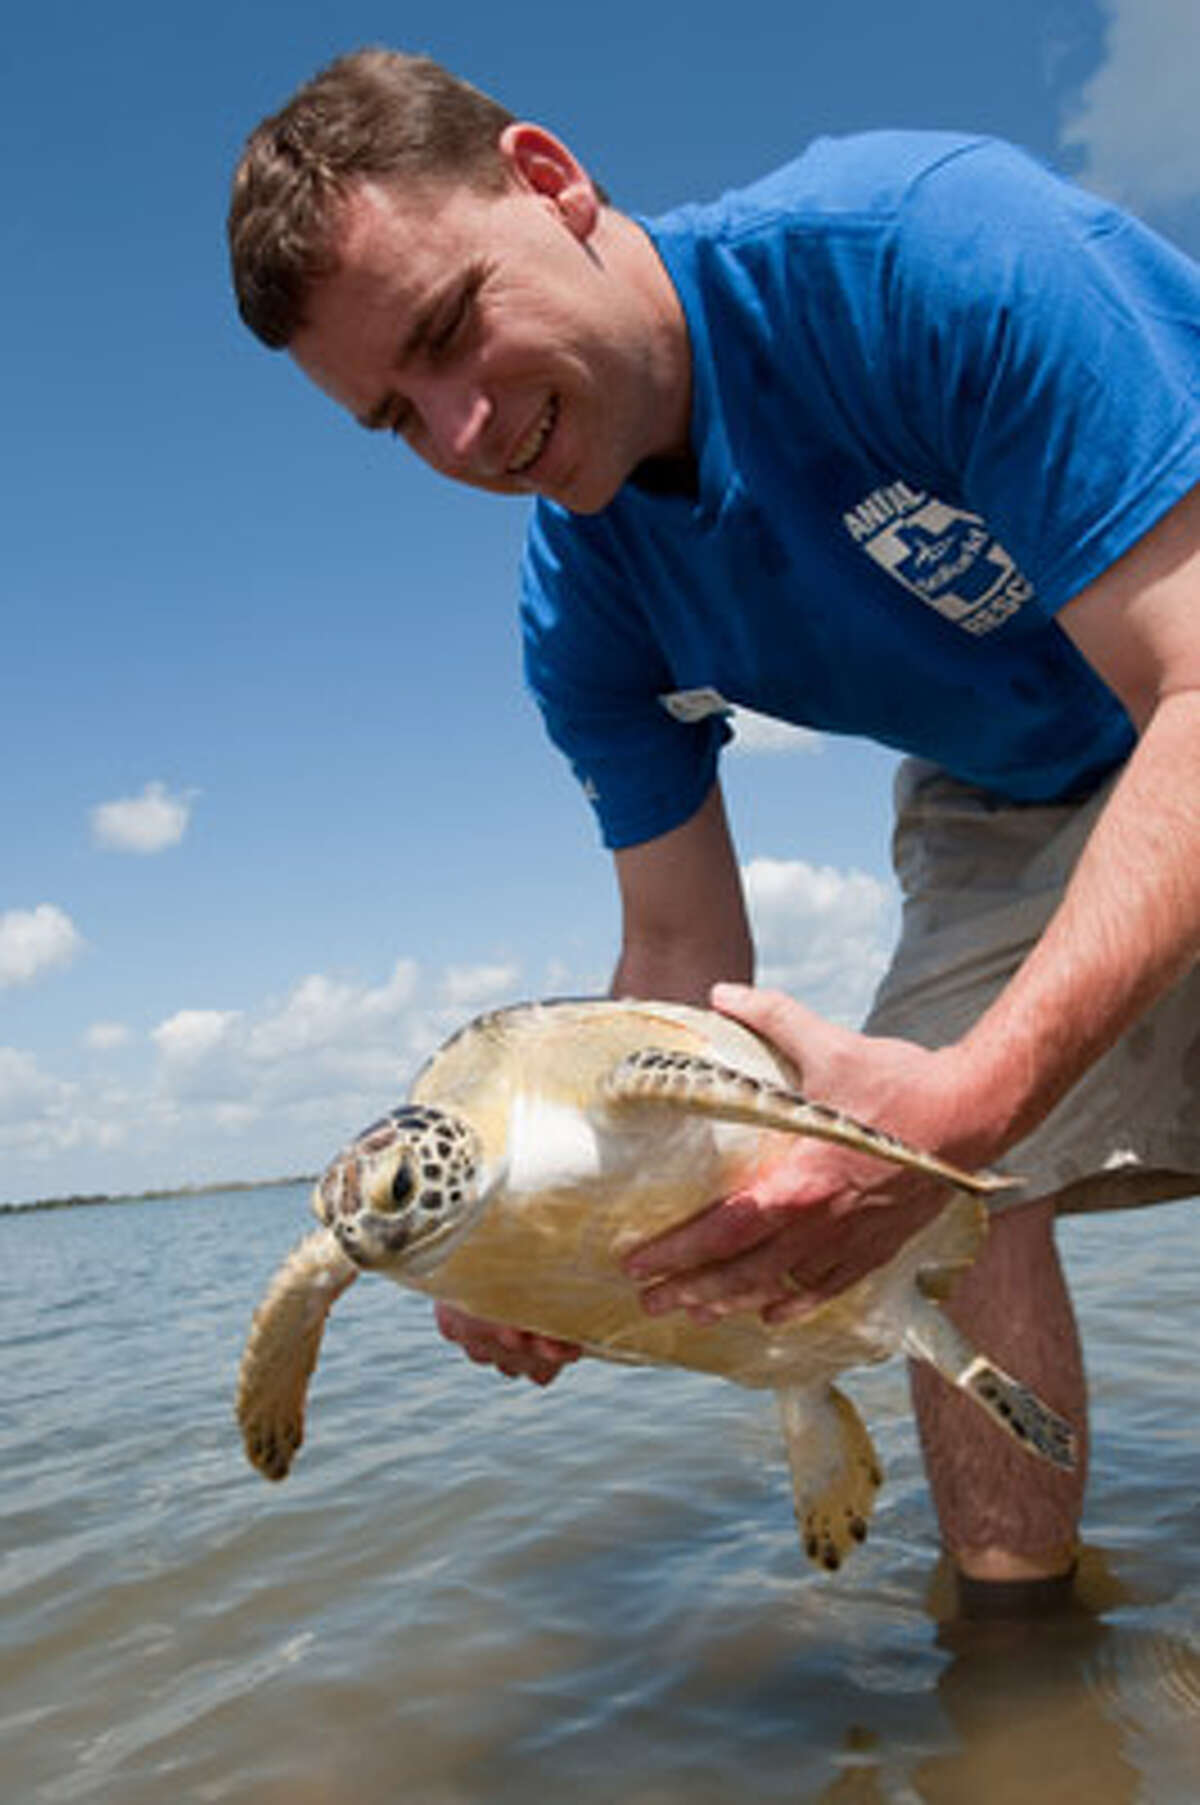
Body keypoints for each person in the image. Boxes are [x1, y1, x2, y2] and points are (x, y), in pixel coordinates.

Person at [228, 48, 1200, 1616]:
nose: (466, 432)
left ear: (550, 180)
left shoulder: (926, 255)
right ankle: (1022, 1683)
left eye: (450, 329)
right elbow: (680, 954)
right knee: (914, 1180)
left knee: (945, 1118)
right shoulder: (584, 599)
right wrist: (564, 1250)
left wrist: (972, 1095)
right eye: (395, 417)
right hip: (1000, 786)